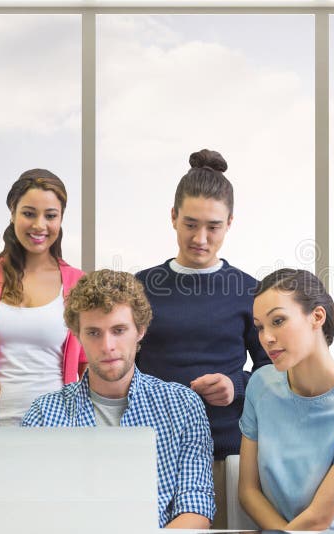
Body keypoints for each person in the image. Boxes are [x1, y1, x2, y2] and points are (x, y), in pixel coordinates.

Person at [135, 149, 269, 527]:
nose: (200, 237)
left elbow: (273, 369)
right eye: (190, 223)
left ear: (230, 223)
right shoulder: (139, 287)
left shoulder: (248, 290)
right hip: (148, 451)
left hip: (226, 452)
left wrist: (235, 384)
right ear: (172, 216)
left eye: (213, 226)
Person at [21, 269, 215, 529]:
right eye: (93, 333)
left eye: (119, 330)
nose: (107, 345)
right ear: (77, 336)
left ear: (140, 331)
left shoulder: (182, 405)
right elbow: (29, 506)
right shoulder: (44, 413)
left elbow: (196, 504)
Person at [239, 268, 334, 532]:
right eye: (260, 327)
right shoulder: (261, 385)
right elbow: (249, 491)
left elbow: (319, 518)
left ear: (317, 316)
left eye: (278, 321)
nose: (266, 338)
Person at [0, 169, 85, 426]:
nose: (39, 225)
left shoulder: (78, 283)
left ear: (60, 219)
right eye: (29, 213)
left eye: (50, 216)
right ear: (13, 213)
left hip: (56, 425)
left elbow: (86, 364)